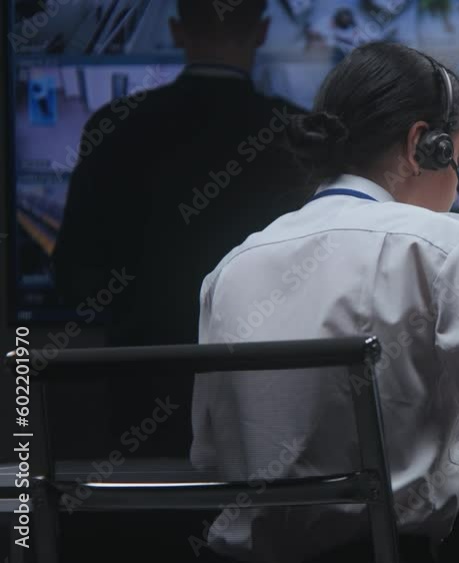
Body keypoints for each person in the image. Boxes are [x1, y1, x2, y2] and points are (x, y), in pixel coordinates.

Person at [190, 42, 459, 563]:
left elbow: (211, 454)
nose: (456, 188)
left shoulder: (232, 267)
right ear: (421, 145)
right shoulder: (444, 247)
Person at [51, 0, 308, 457]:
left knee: (152, 518)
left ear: (175, 30)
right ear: (263, 31)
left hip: (141, 388)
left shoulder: (113, 126)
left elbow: (73, 276)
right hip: (270, 388)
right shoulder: (296, 133)